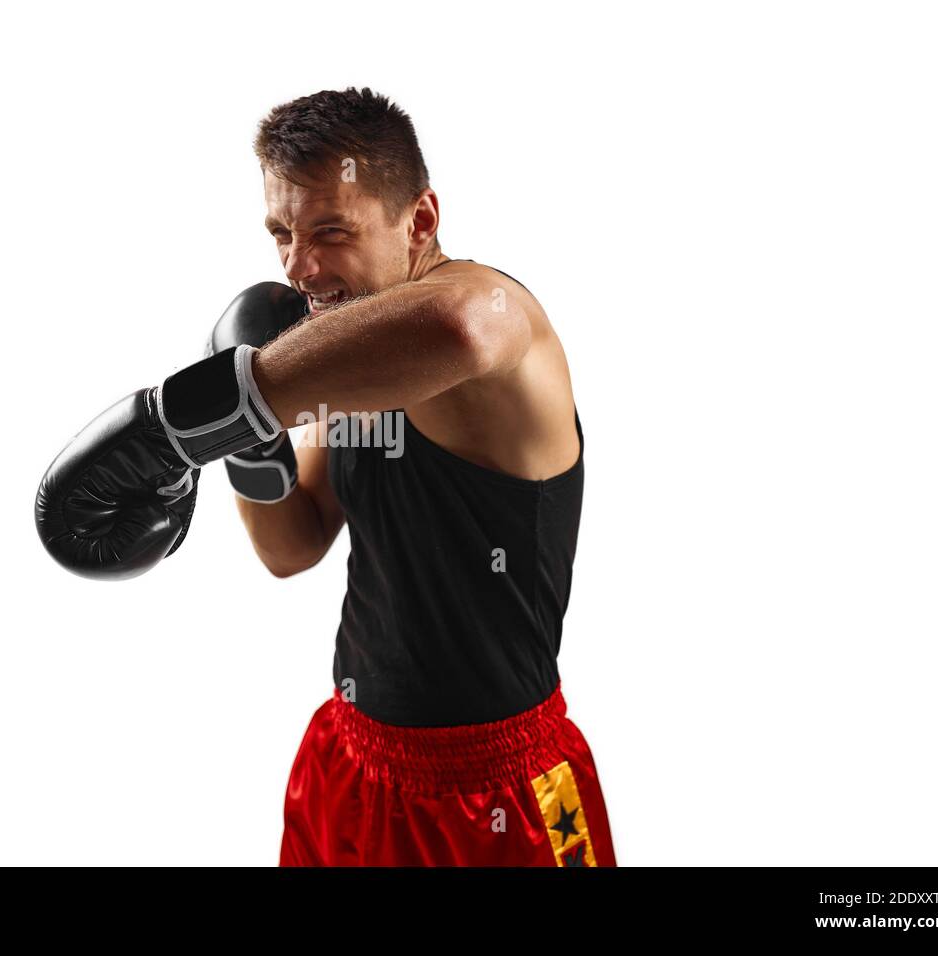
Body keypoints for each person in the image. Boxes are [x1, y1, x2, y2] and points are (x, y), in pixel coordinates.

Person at [35, 86, 616, 866]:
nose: (299, 267)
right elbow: (292, 544)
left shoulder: (496, 321)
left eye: (331, 231)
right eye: (283, 234)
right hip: (349, 759)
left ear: (419, 221)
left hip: (502, 792)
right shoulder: (345, 362)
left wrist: (176, 428)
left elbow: (465, 325)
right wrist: (246, 443)